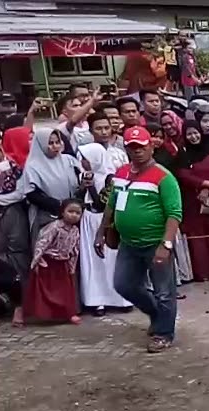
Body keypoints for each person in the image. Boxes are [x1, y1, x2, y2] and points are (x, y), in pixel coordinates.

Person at [101, 126, 182, 353]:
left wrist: (166, 244)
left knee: (164, 291)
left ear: (151, 147)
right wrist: (102, 231)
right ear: (126, 148)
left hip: (156, 242)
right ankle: (156, 313)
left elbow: (174, 213)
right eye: (132, 147)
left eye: (141, 147)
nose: (137, 151)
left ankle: (164, 333)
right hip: (128, 242)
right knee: (123, 284)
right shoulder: (121, 173)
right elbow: (111, 204)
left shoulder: (164, 177)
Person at [76, 125, 132, 315]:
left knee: (111, 260)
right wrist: (84, 186)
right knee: (93, 262)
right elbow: (78, 199)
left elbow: (105, 203)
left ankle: (120, 299)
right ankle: (96, 300)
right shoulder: (82, 176)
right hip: (88, 220)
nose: (83, 162)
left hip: (106, 221)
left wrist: (91, 186)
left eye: (86, 158)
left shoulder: (111, 177)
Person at [174, 123, 209, 281]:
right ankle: (202, 273)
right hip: (194, 201)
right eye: (189, 134)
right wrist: (203, 184)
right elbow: (183, 174)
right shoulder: (183, 153)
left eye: (196, 133)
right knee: (198, 238)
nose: (194, 137)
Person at [24, 197, 83, 324]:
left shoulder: (76, 231)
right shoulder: (54, 227)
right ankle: (45, 314)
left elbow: (75, 250)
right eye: (70, 211)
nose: (74, 215)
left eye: (77, 213)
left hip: (63, 264)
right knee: (46, 291)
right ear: (62, 212)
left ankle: (69, 314)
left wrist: (72, 266)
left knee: (66, 291)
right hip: (48, 263)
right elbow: (42, 243)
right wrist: (36, 261)